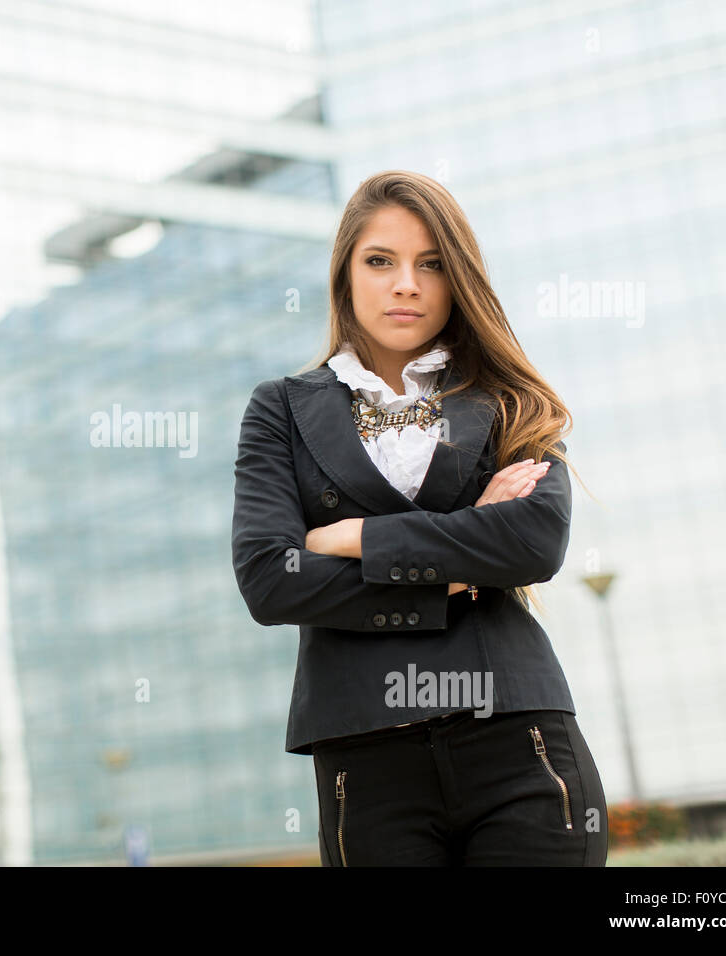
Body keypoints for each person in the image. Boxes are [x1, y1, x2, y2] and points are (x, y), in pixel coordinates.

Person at [231, 170, 607, 866]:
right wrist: (455, 573)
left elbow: (532, 540)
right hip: (364, 760)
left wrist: (355, 538)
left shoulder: (505, 398)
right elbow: (269, 579)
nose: (406, 283)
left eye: (431, 264)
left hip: (519, 741)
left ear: (456, 279)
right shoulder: (280, 410)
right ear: (346, 275)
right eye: (381, 261)